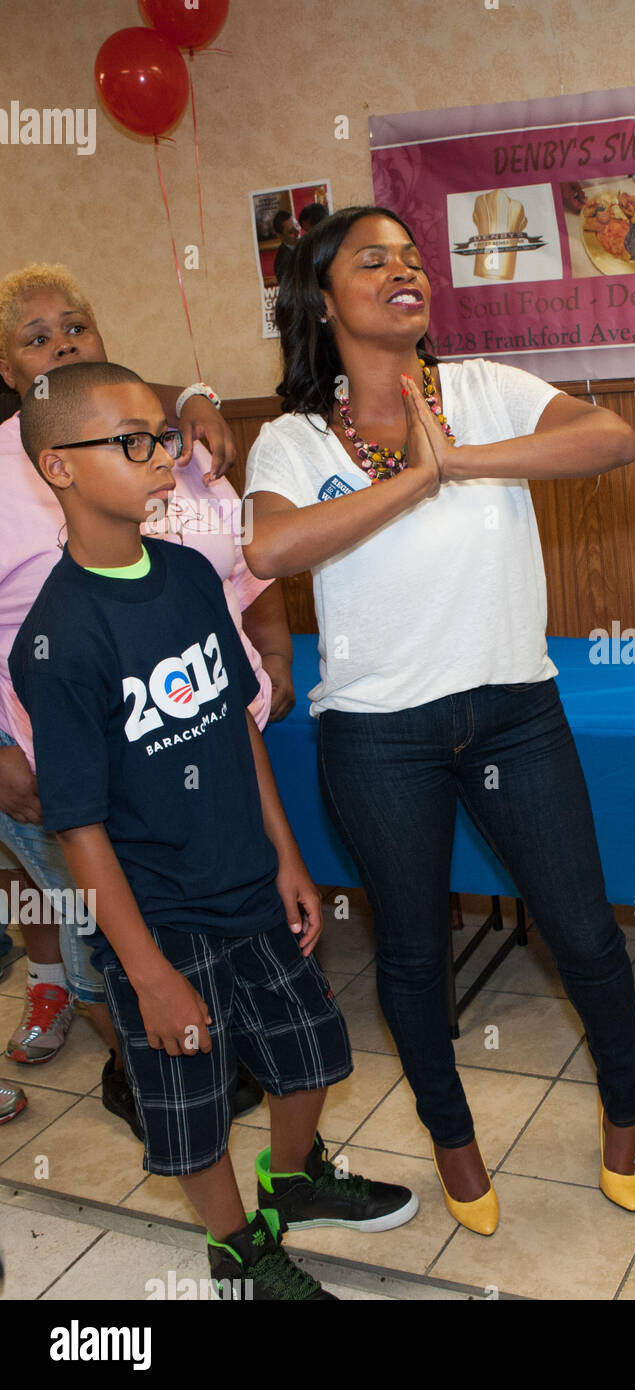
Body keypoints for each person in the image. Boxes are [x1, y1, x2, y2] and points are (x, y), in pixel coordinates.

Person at [241, 205, 635, 1233]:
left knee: (586, 931)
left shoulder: (482, 391)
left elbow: (611, 438)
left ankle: (626, 1118)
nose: (405, 271)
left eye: (414, 259)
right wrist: (417, 478)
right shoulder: (292, 438)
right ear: (321, 301)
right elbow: (273, 551)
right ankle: (455, 1145)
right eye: (372, 261)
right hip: (379, 735)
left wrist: (458, 461)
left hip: (516, 708)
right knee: (415, 953)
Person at [11, 361, 419, 1298]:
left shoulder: (194, 574)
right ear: (59, 469)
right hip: (159, 922)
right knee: (191, 1108)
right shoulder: (59, 639)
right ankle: (238, 1247)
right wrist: (147, 975)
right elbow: (77, 826)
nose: (164, 456)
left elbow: (237, 725)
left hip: (249, 887)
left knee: (313, 1055)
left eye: (162, 433)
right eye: (132, 441)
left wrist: (287, 857)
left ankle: (295, 1178)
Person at [0, 263, 291, 1130]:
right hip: (64, 760)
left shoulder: (160, 442)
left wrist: (270, 652)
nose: (59, 343)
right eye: (34, 337)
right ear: (7, 367)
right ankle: (151, 1084)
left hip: (199, 734)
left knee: (215, 927)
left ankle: (217, 1066)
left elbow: (238, 559)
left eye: (73, 326)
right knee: (111, 939)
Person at [271, 210, 300, 287]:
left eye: (297, 225)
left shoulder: (307, 244)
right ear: (280, 236)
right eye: (291, 232)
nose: (297, 232)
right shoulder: (282, 262)